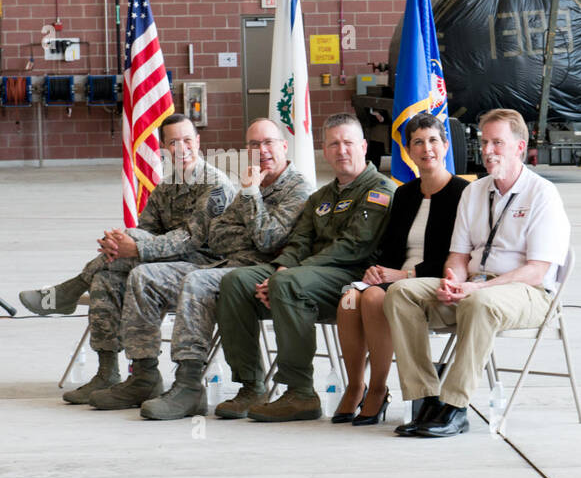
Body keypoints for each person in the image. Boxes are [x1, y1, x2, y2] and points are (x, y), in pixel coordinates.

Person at [19, 114, 233, 404]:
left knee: (135, 255)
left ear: (197, 141)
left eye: (186, 140)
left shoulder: (215, 186)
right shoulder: (168, 187)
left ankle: (69, 291)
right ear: (164, 147)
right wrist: (119, 245)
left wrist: (136, 248)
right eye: (173, 142)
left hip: (204, 267)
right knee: (106, 276)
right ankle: (108, 372)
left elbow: (190, 239)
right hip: (169, 261)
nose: (181, 148)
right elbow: (146, 229)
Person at [384, 108, 570, 438]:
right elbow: (458, 256)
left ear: (519, 147)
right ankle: (425, 398)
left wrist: (477, 289)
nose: (487, 151)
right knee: (401, 293)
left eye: (497, 143)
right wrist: (453, 281)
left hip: (528, 293)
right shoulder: (474, 191)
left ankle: (455, 407)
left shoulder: (541, 194)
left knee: (478, 303)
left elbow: (537, 270)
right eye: (484, 143)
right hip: (475, 287)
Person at [127, 119, 313, 419]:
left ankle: (189, 386)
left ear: (283, 146)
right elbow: (218, 236)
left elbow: (267, 240)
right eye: (254, 145)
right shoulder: (254, 183)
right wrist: (253, 230)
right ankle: (142, 376)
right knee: (144, 276)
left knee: (197, 282)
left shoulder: (297, 188)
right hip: (227, 264)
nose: (262, 151)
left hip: (266, 274)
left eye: (268, 142)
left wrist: (251, 198)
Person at [214, 113, 393, 422]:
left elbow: (353, 247)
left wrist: (289, 276)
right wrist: (282, 269)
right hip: (309, 275)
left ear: (364, 146)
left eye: (348, 143)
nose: (341, 150)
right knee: (236, 282)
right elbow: (300, 242)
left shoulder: (379, 190)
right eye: (333, 144)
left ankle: (300, 393)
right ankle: (251, 385)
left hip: (354, 278)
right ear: (324, 150)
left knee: (287, 284)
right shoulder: (321, 196)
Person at [333, 113, 467, 426]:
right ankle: (355, 386)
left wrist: (404, 276)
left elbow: (458, 256)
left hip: (433, 281)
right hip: (395, 278)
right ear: (408, 151)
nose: (426, 148)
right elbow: (391, 248)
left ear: (445, 146)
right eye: (417, 142)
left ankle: (378, 389)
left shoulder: (462, 193)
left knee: (372, 298)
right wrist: (377, 271)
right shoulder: (405, 193)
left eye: (433, 140)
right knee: (349, 299)